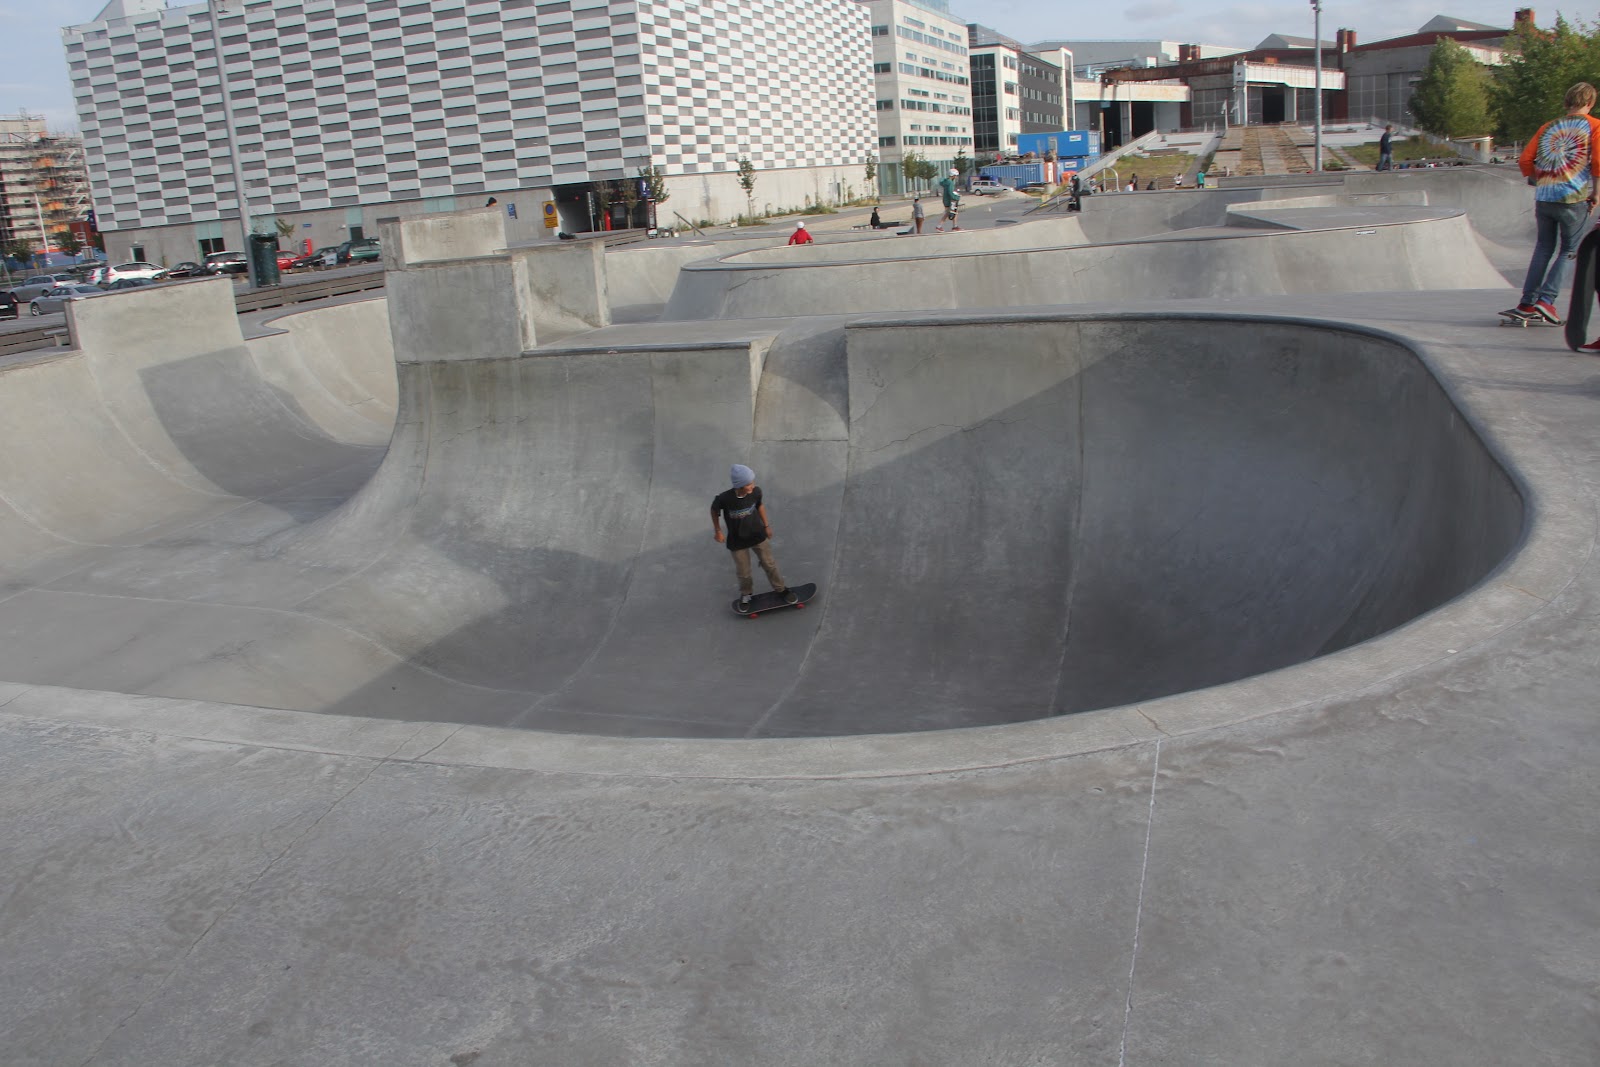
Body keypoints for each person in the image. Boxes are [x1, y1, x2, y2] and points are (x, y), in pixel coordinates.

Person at [1504, 82, 1600, 327]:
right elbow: (1598, 163)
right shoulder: (1595, 126)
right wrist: (1596, 194)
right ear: (1590, 103)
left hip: (1544, 198)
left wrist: (1542, 180)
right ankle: (1546, 300)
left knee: (1543, 248)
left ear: (1567, 103)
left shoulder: (1548, 127)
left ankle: (1526, 302)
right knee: (1569, 250)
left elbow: (1525, 159)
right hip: (1572, 199)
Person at [711, 464, 796, 612]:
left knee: (769, 564)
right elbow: (714, 510)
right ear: (739, 485)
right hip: (737, 540)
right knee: (744, 572)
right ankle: (746, 595)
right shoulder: (725, 498)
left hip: (757, 535)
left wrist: (766, 525)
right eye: (749, 483)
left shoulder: (756, 492)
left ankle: (781, 589)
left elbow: (760, 506)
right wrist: (718, 530)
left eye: (752, 482)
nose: (753, 485)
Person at [935, 167, 962, 232]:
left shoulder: (946, 181)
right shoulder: (950, 183)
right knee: (948, 213)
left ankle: (955, 226)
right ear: (953, 175)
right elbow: (950, 192)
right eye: (956, 176)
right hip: (950, 200)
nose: (956, 177)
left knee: (954, 212)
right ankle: (939, 226)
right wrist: (956, 197)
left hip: (945, 199)